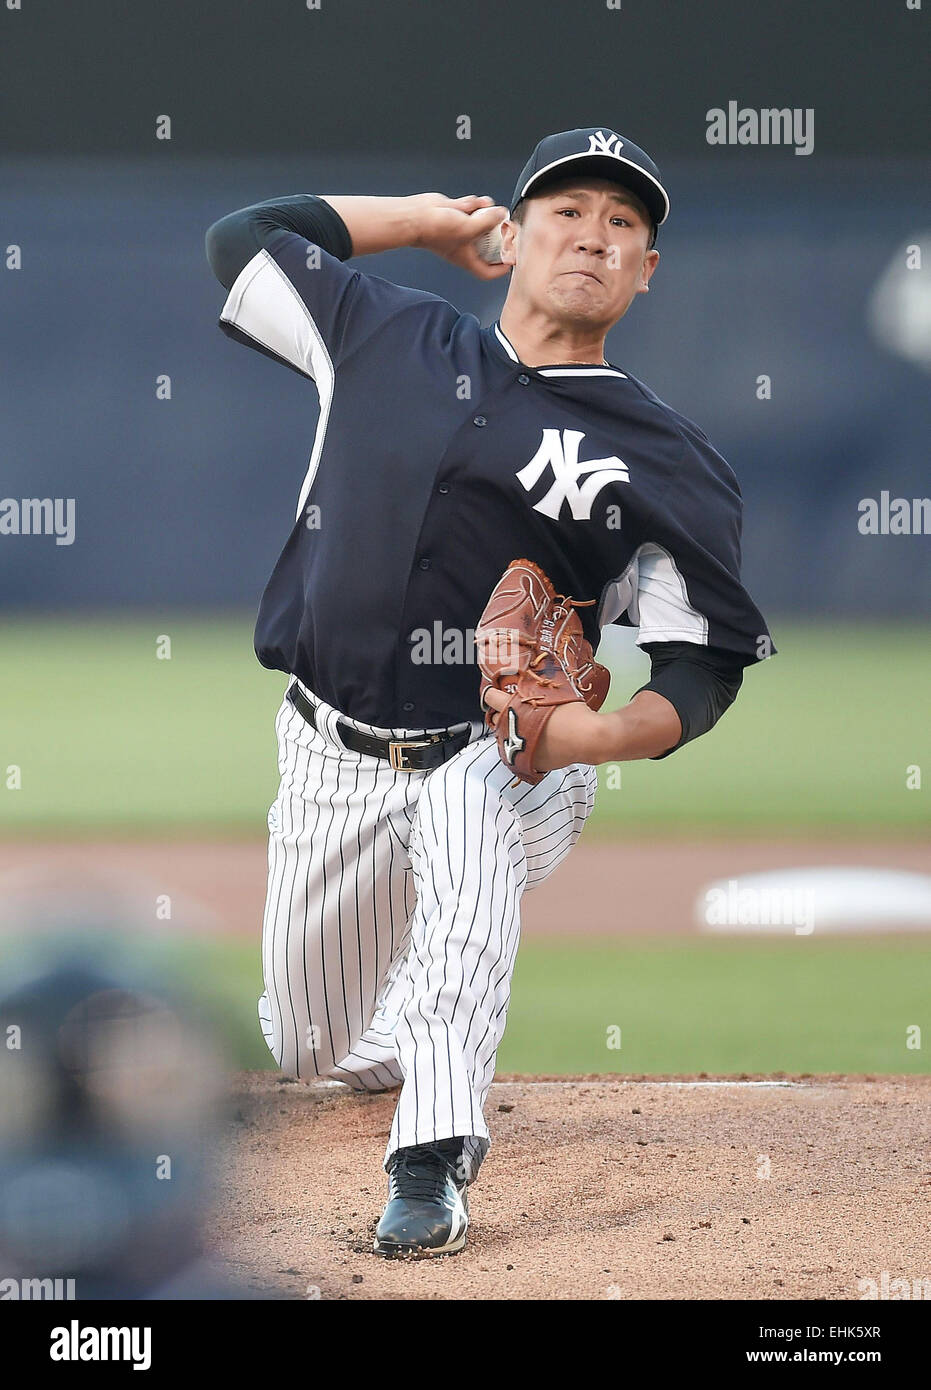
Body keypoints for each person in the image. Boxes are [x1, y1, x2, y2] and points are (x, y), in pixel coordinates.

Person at [205, 126, 775, 1259]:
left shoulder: (664, 458)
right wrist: (421, 218)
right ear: (514, 234)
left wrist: (598, 734)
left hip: (509, 753)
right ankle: (410, 1039)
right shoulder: (378, 333)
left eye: (625, 224)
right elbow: (244, 240)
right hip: (332, 748)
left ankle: (432, 1156)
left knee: (467, 814)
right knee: (312, 1047)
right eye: (568, 210)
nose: (595, 236)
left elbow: (702, 663)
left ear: (645, 271)